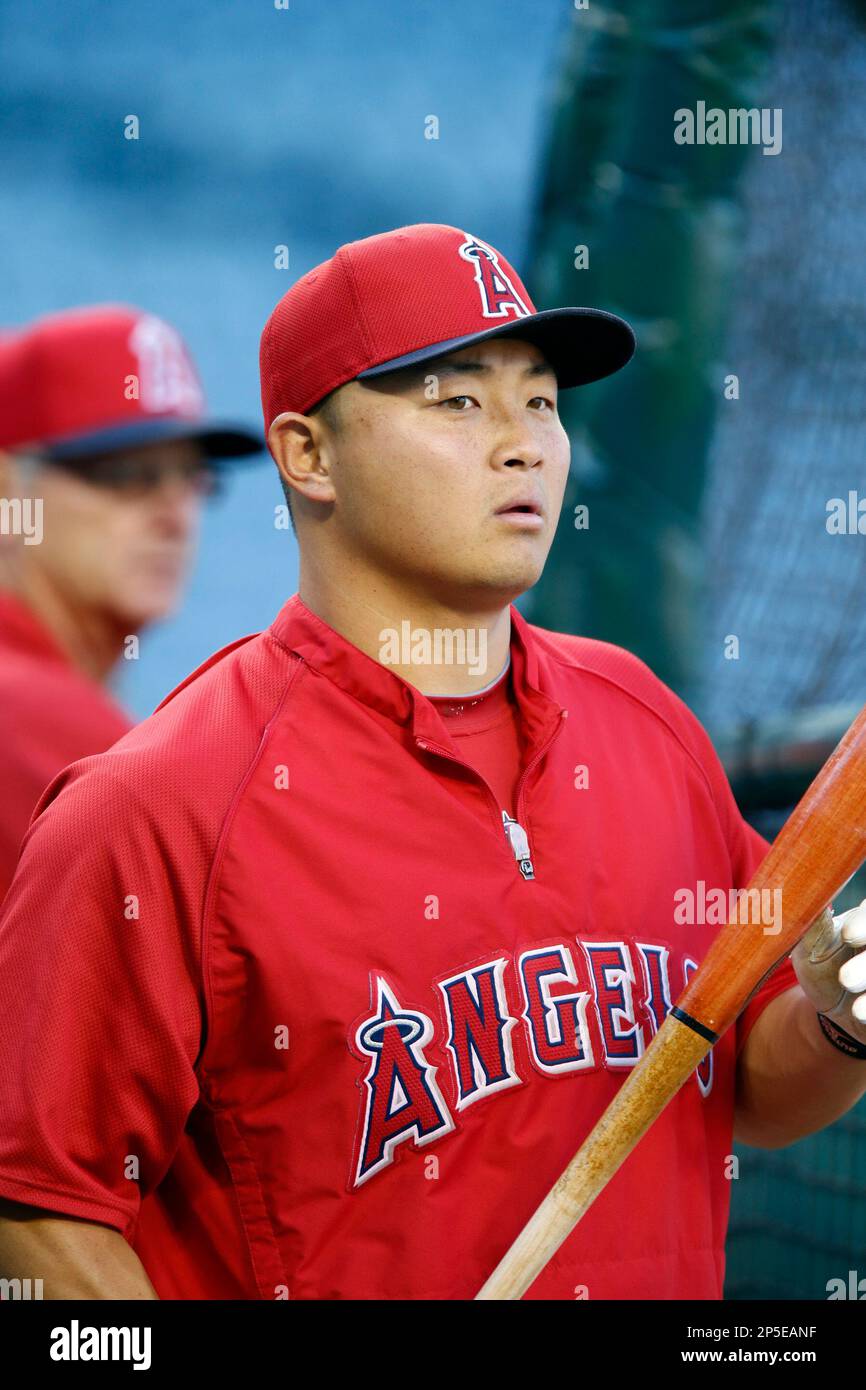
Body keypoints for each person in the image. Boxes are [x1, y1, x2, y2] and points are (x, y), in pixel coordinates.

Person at [0, 223, 865, 1301]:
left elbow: (748, 1086)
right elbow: (39, 1215)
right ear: (307, 454)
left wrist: (837, 1022)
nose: (522, 443)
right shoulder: (157, 805)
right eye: (458, 401)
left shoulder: (643, 722)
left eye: (540, 400)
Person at [0, 304, 262, 899]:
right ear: (9, 492)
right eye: (128, 476)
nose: (175, 516)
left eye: (192, 478)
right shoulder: (30, 716)